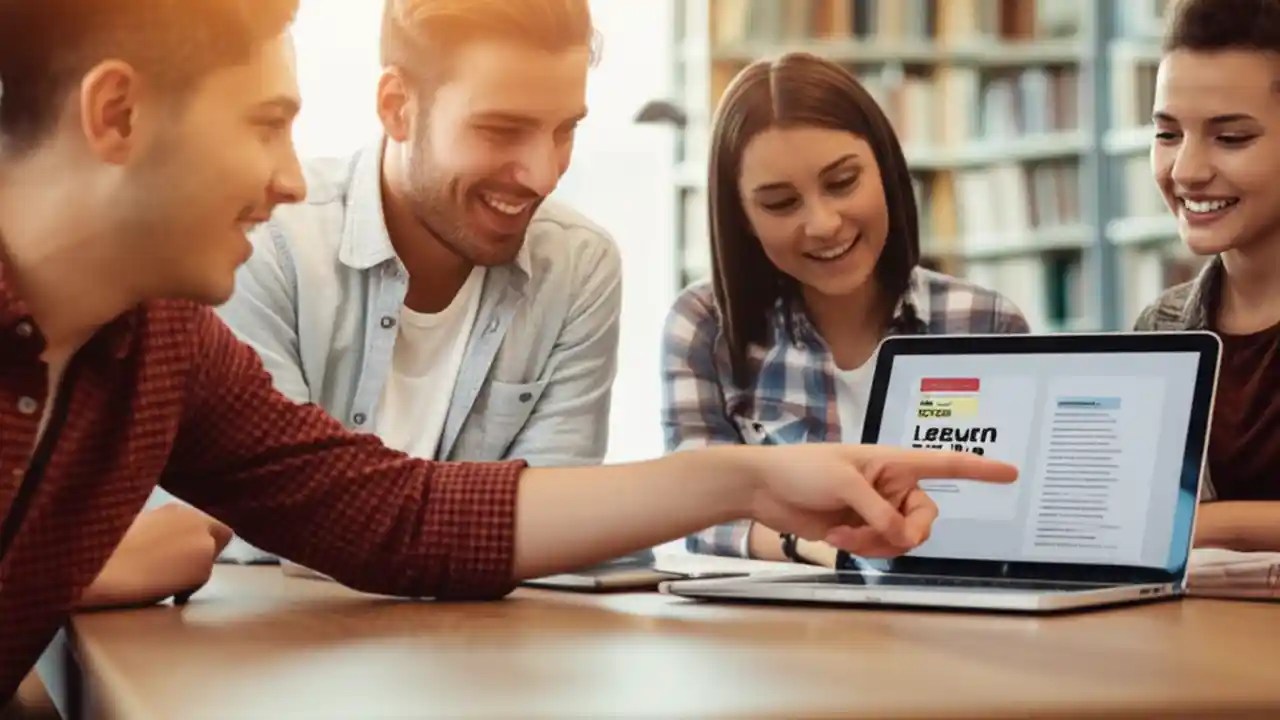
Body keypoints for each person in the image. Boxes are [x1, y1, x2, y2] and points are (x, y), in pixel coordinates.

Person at [0, 0, 1019, 702]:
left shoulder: (160, 349)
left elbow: (399, 512)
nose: (285, 178)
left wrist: (744, 479)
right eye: (265, 124)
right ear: (116, 116)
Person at [146, 0, 622, 563]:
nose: (544, 175)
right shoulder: (258, 246)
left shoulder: (578, 265)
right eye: (500, 130)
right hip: (252, 637)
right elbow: (279, 525)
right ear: (397, 108)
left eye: (565, 130)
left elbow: (553, 534)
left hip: (486, 642)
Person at [662, 53, 1031, 565]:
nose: (823, 224)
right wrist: (820, 547)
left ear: (886, 170)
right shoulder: (704, 325)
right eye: (779, 204)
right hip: (775, 629)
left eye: (842, 183)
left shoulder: (986, 321)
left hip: (951, 620)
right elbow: (692, 510)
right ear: (742, 218)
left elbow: (1017, 505)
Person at [1134, 0, 1280, 551]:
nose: (1187, 171)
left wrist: (1197, 527)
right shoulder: (1161, 327)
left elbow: (1151, 526)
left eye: (1232, 137)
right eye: (1168, 135)